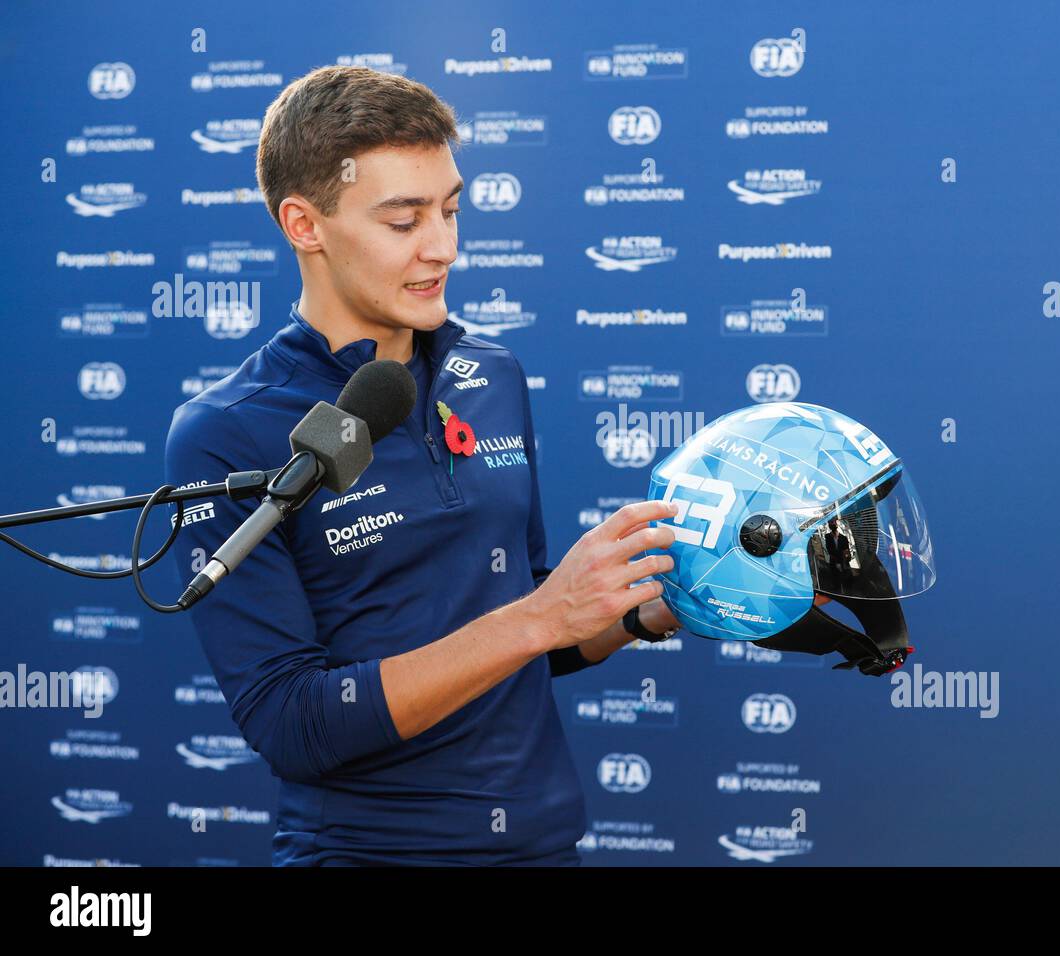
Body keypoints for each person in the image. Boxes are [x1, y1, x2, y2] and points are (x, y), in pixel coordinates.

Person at [164, 66, 681, 866]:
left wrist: (639, 613)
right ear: (305, 223)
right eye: (403, 221)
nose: (442, 246)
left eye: (450, 210)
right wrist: (541, 615)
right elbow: (293, 725)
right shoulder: (228, 432)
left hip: (544, 848)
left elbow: (528, 638)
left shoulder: (493, 374)